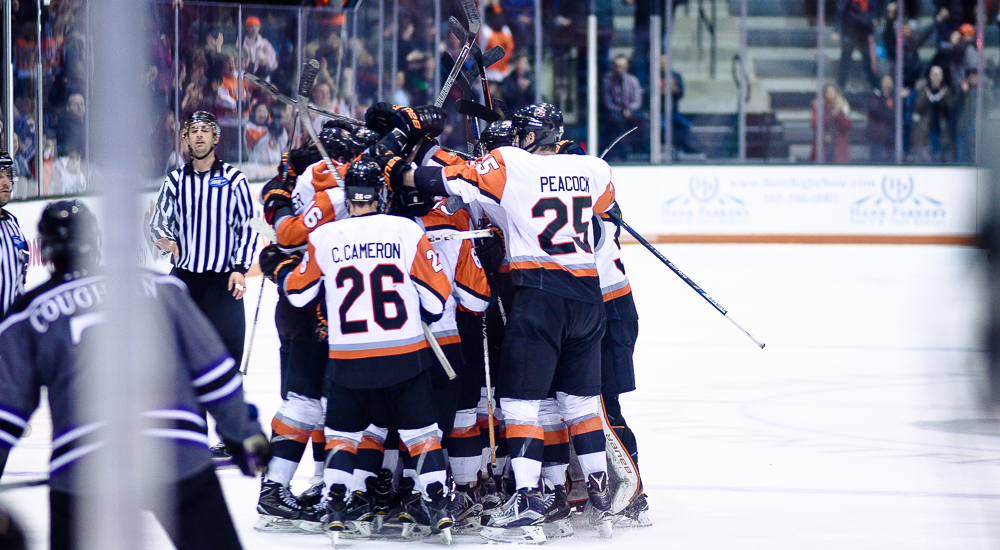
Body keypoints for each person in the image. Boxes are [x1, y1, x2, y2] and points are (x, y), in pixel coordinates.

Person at [381, 103, 618, 543]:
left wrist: (400, 167)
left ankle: (526, 502)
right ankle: (601, 496)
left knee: (521, 406)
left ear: (527, 137)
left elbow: (450, 179)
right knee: (580, 403)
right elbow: (605, 205)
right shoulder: (594, 167)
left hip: (540, 296)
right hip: (588, 298)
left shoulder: (513, 164)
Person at [0, 200, 271, 550]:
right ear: (96, 244)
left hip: (85, 464)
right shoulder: (161, 288)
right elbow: (215, 374)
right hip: (175, 449)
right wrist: (243, 436)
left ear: (46, 255)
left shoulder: (27, 315)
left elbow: (6, 416)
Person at [268, 159, 455, 543]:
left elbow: (299, 293)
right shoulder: (405, 230)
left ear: (347, 197)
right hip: (404, 355)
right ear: (382, 195)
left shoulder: (324, 237)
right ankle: (436, 502)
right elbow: (437, 299)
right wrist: (416, 309)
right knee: (422, 436)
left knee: (342, 438)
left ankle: (337, 503)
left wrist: (282, 269)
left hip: (348, 360)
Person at [149, 111, 258, 367]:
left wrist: (240, 268)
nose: (199, 135)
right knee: (179, 361)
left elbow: (249, 226)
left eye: (205, 130)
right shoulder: (175, 181)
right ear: (186, 138)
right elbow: (159, 221)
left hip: (223, 282)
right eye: (193, 131)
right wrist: (164, 238)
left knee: (227, 362)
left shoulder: (234, 179)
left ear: (215, 138)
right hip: (185, 280)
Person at [0, 153, 28, 317]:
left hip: (9, 333)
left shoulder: (13, 224)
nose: (6, 182)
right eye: (0, 176)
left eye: (8, 175)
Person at [602, 55, 643, 162]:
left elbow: (637, 100)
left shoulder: (633, 80)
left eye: (622, 66)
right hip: (615, 111)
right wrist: (620, 110)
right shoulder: (608, 80)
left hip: (631, 110)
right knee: (615, 120)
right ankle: (619, 151)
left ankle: (637, 150)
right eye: (617, 66)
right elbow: (607, 101)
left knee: (640, 120)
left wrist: (629, 109)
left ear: (627, 67)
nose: (619, 70)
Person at [836, 0, 879, 91]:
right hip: (850, 33)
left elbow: (872, 10)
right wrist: (837, 30)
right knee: (845, 61)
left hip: (863, 33)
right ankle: (840, 86)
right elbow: (840, 12)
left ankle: (875, 87)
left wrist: (872, 20)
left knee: (868, 61)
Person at [811, 83, 854, 164]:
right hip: (822, 146)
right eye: (828, 92)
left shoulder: (842, 106)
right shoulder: (818, 106)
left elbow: (848, 125)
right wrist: (831, 115)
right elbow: (815, 124)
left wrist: (838, 114)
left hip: (838, 146)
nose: (830, 94)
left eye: (832, 92)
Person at [866, 74, 897, 163]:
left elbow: (897, 113)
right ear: (881, 83)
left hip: (891, 135)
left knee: (892, 159)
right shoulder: (875, 95)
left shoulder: (894, 97)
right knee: (876, 159)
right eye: (885, 82)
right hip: (877, 134)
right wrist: (884, 100)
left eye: (889, 82)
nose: (887, 84)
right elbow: (876, 112)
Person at [242, 15, 278, 80]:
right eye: (251, 26)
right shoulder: (242, 43)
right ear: (247, 28)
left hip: (263, 80)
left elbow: (274, 65)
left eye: (256, 26)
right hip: (246, 79)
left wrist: (264, 60)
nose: (254, 29)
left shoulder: (265, 44)